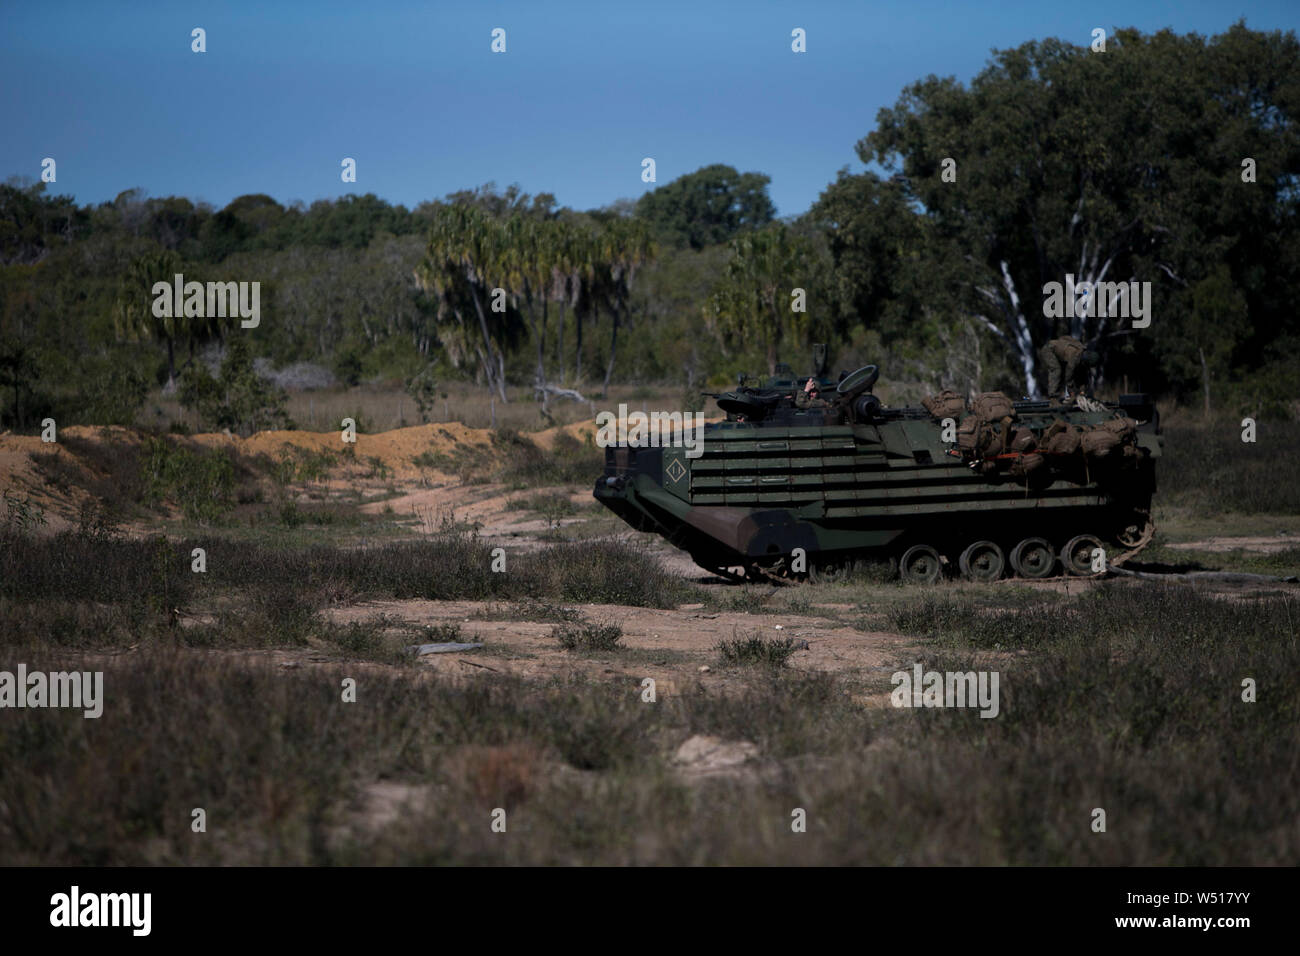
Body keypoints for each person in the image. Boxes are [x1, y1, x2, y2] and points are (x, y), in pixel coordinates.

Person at [1038, 336, 1099, 400]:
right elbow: (1069, 376)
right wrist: (1072, 392)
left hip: (1060, 354)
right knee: (1057, 370)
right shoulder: (1075, 356)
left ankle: (1071, 396)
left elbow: (1083, 374)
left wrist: (1082, 391)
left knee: (1078, 371)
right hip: (1049, 350)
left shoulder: (1082, 354)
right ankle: (1053, 398)